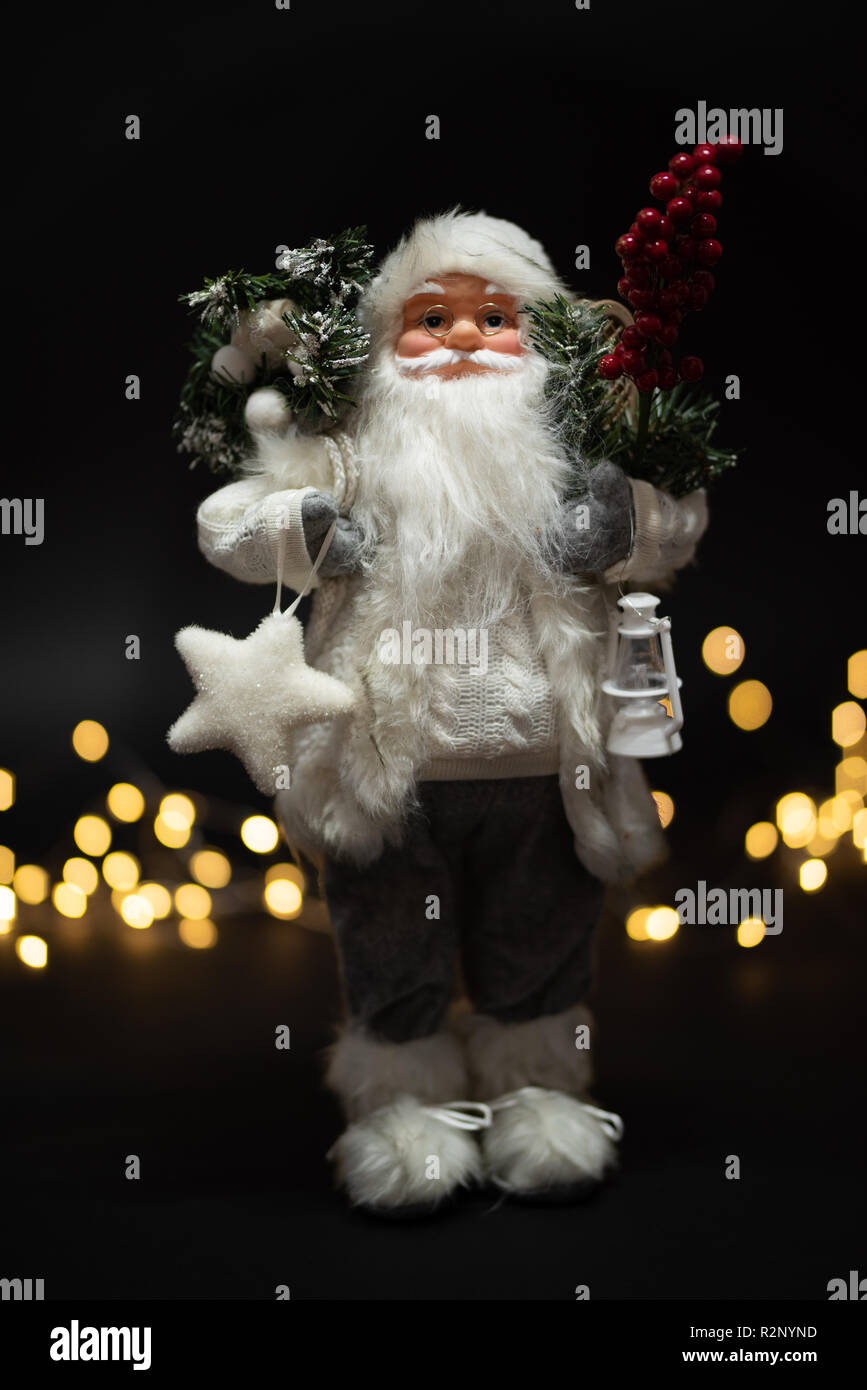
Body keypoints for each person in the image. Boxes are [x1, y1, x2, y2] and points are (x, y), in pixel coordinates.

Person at [196, 210, 708, 1215]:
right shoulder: (353, 449)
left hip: (546, 770)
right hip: (387, 773)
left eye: (495, 318)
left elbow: (678, 518)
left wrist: (624, 528)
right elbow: (228, 525)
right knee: (389, 939)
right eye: (432, 318)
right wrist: (307, 529)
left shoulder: (574, 449)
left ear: (540, 338)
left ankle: (537, 1093)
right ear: (388, 339)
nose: (465, 336)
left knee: (542, 934)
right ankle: (402, 1107)